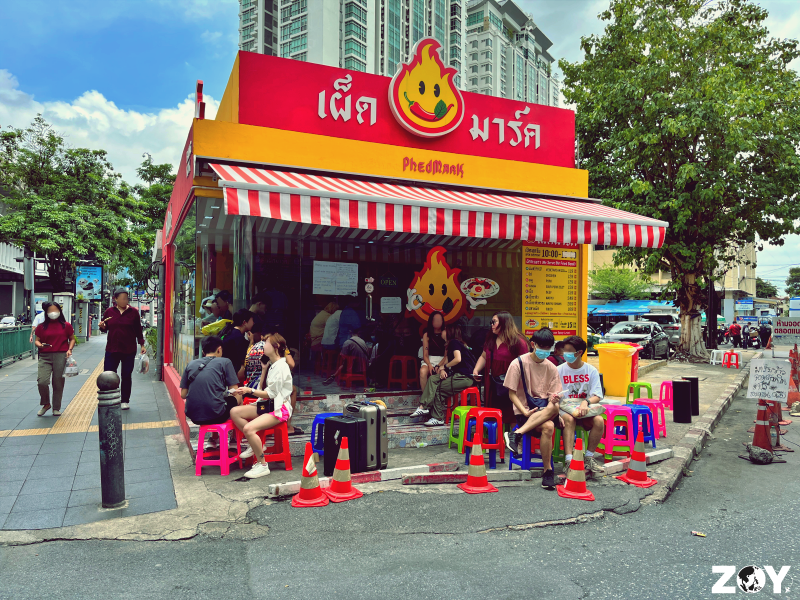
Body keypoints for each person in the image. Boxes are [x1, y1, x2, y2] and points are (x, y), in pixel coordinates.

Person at [502, 327, 562, 489]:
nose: (544, 351)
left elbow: (553, 395)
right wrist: (524, 411)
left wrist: (554, 398)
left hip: (544, 410)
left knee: (555, 407)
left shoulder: (551, 367)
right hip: (524, 412)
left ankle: (516, 435)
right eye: (541, 347)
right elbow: (512, 394)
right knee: (549, 425)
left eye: (547, 348)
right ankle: (548, 471)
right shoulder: (518, 363)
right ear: (532, 344)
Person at [230, 333, 294, 479]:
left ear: (275, 347)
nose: (263, 346)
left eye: (266, 343)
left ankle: (262, 464)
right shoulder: (272, 365)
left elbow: (270, 394)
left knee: (248, 428)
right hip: (268, 405)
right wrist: (264, 369)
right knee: (235, 412)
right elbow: (264, 388)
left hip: (279, 409)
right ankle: (257, 445)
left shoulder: (281, 367)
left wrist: (249, 390)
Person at [556, 336, 606, 476]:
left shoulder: (591, 370)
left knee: (599, 420)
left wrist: (586, 402)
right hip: (564, 409)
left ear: (579, 353)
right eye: (564, 350)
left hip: (583, 410)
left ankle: (589, 458)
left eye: (569, 351)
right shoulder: (559, 370)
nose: (565, 353)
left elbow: (597, 394)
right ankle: (569, 461)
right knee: (570, 420)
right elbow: (554, 393)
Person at [411, 322, 476, 427]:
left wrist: (444, 367)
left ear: (449, 332)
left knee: (438, 388)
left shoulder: (454, 342)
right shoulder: (452, 344)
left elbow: (457, 359)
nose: (442, 331)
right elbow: (446, 363)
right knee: (433, 379)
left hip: (464, 377)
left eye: (445, 330)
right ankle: (423, 407)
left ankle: (436, 416)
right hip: (458, 375)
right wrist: (442, 369)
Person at [472, 311, 529, 425]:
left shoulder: (518, 341)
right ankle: (495, 439)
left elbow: (525, 363)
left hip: (511, 382)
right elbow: (484, 356)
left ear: (504, 323)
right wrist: (476, 369)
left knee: (511, 412)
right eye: (491, 322)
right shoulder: (491, 339)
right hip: (492, 382)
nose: (491, 324)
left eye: (494, 322)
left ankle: (512, 439)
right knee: (493, 412)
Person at [99, 289, 146, 410]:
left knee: (126, 375)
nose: (125, 300)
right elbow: (105, 328)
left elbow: (138, 330)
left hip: (129, 349)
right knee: (109, 374)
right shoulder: (109, 312)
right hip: (112, 348)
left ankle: (125, 400)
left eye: (126, 298)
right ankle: (110, 397)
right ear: (116, 299)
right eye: (122, 298)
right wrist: (102, 327)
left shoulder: (133, 312)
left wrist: (142, 345)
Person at [180, 336, 241, 425]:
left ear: (203, 352)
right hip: (218, 416)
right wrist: (225, 393)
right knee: (239, 395)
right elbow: (234, 391)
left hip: (194, 417)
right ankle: (234, 435)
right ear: (219, 349)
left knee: (216, 402)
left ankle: (214, 437)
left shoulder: (191, 364)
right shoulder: (225, 362)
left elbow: (183, 395)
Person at [34, 303, 76, 417]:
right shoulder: (41, 326)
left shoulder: (66, 325)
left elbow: (72, 339)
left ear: (59, 311)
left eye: (55, 310)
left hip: (60, 355)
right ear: (46, 313)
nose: (53, 312)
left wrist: (70, 349)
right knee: (42, 381)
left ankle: (56, 407)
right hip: (44, 356)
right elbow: (36, 340)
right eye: (50, 310)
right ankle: (46, 403)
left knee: (58, 382)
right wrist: (41, 345)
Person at [221, 309, 254, 382]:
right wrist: (251, 342)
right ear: (245, 322)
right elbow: (245, 358)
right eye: (252, 320)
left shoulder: (231, 331)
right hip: (231, 370)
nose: (253, 323)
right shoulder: (238, 337)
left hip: (224, 367)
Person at [420, 311, 447, 390]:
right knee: (423, 371)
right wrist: (429, 364)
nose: (438, 322)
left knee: (439, 374)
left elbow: (446, 355)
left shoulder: (445, 334)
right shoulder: (427, 335)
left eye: (440, 320)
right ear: (431, 321)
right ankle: (425, 397)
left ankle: (438, 397)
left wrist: (439, 366)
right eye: (436, 320)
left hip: (442, 360)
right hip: (429, 359)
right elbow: (425, 354)